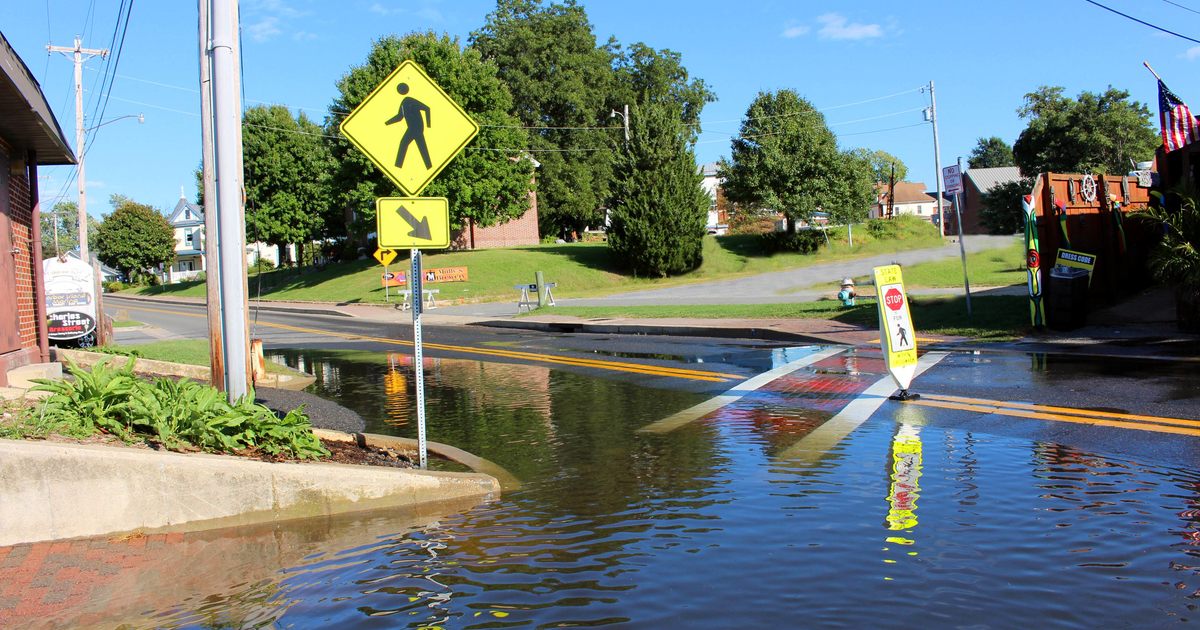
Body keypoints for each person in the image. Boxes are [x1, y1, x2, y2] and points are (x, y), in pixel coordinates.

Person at [385, 83, 432, 169]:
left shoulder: (409, 100)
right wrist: (386, 123)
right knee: (420, 147)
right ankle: (428, 166)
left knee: (407, 144)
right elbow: (399, 117)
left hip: (416, 128)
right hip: (412, 128)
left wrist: (429, 125)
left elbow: (427, 108)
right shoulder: (404, 103)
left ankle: (398, 166)